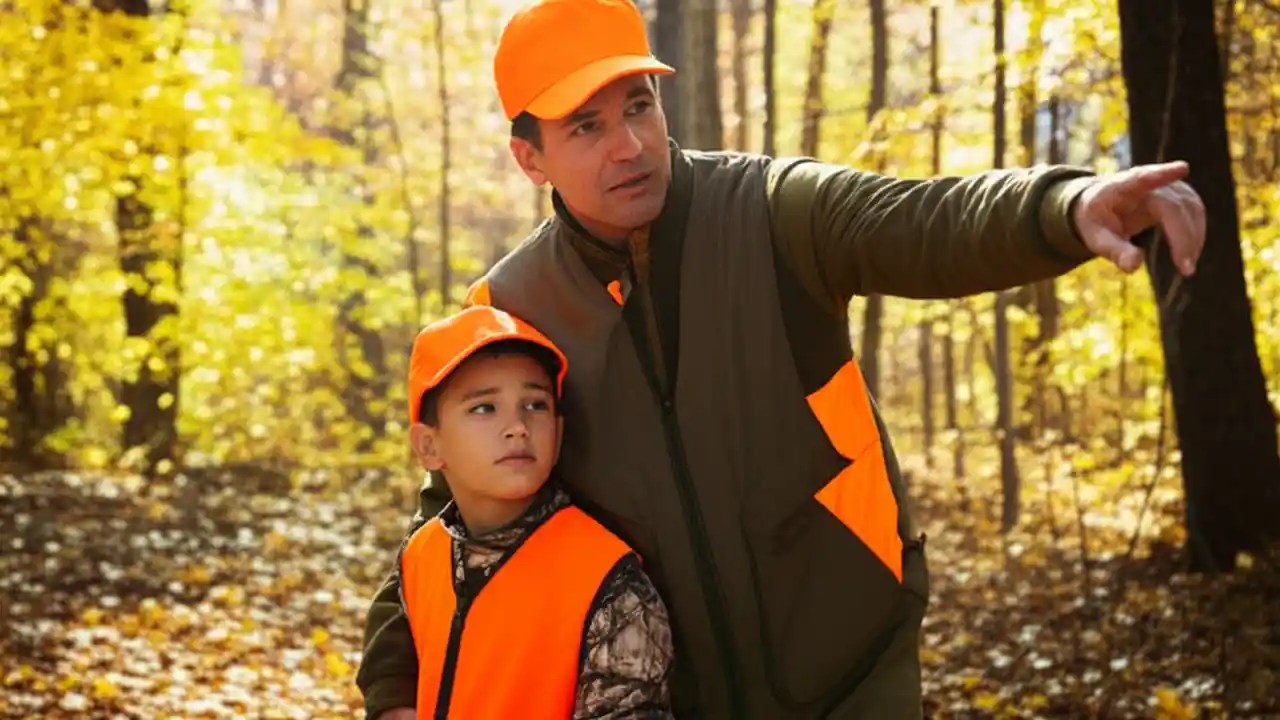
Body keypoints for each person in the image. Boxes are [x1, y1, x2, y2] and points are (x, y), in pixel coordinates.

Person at [358, 0, 1207, 717]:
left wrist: (1063, 205)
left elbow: (917, 222)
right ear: (529, 157)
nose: (630, 145)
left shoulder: (769, 211)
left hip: (854, 668)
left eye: (640, 105)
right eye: (586, 125)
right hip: (663, 693)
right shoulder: (510, 306)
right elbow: (453, 519)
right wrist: (395, 681)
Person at [390, 304, 674, 720]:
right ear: (429, 447)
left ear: (557, 435)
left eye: (535, 405)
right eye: (484, 408)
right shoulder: (422, 555)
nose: (518, 426)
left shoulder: (606, 579)